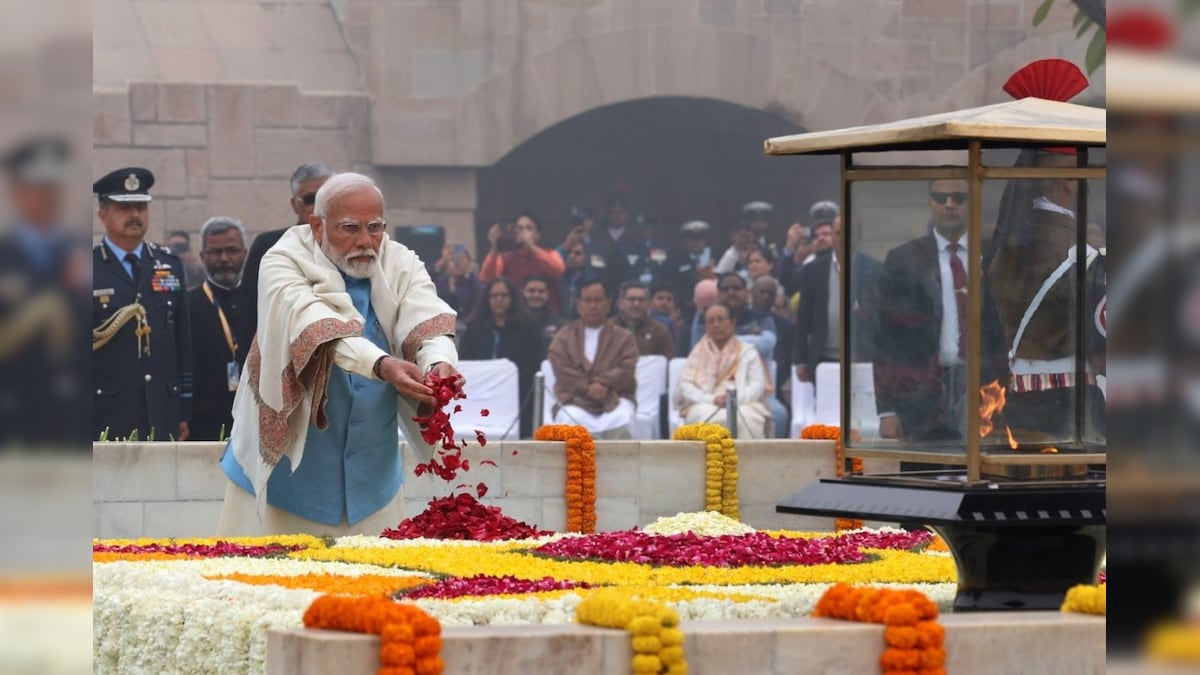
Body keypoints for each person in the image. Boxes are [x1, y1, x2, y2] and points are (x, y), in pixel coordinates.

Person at [217, 172, 462, 537]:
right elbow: (312, 324)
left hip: (373, 485)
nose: (365, 241)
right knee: (267, 591)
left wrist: (439, 362)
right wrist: (381, 365)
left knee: (380, 591)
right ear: (317, 225)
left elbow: (426, 315)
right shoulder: (282, 259)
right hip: (286, 484)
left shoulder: (399, 260)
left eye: (375, 227)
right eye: (349, 228)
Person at [870, 179, 1006, 442]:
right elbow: (885, 338)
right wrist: (886, 410)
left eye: (959, 198)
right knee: (923, 475)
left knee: (984, 476)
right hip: (922, 392)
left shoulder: (993, 254)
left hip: (987, 389)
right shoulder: (904, 259)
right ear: (930, 203)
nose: (949, 205)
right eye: (941, 198)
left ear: (973, 203)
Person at [989, 151, 1105, 444]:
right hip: (1068, 403)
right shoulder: (1073, 249)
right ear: (1064, 182)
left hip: (1024, 394)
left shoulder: (1013, 244)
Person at [92, 167, 193, 441]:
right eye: (124, 207)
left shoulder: (168, 264)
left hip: (162, 408)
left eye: (140, 207)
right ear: (103, 216)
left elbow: (181, 340)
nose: (134, 214)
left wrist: (184, 407)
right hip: (105, 410)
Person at [0, 136, 87, 447]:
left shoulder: (79, 252)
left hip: (72, 419)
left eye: (54, 188)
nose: (47, 197)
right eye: (37, 188)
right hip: (14, 415)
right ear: (17, 193)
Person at [236, 162, 334, 368]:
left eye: (324, 198)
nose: (317, 206)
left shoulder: (351, 243)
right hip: (282, 362)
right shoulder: (269, 245)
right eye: (309, 199)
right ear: (294, 204)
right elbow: (249, 312)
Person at [793, 213, 881, 386]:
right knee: (827, 411)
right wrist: (800, 359)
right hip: (823, 357)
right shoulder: (813, 270)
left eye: (851, 232)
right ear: (832, 236)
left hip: (861, 357)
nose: (844, 238)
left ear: (859, 236)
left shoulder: (874, 269)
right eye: (839, 233)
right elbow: (803, 317)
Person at [547, 279, 639, 439]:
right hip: (574, 401)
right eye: (587, 301)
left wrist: (604, 383)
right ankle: (579, 465)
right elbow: (563, 371)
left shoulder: (624, 338)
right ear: (578, 305)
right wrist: (589, 388)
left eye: (597, 300)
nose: (592, 306)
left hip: (614, 399)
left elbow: (626, 369)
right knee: (570, 421)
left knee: (622, 419)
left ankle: (619, 465)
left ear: (608, 304)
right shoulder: (563, 337)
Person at [185, 217, 248, 441]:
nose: (224, 258)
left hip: (253, 419)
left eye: (232, 250)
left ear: (245, 253)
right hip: (203, 423)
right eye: (215, 252)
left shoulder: (261, 299)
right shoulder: (187, 304)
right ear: (202, 256)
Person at [458, 277, 545, 437]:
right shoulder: (474, 329)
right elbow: (466, 363)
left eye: (504, 295)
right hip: (478, 394)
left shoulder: (528, 328)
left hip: (517, 396)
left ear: (512, 298)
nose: (499, 299)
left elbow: (533, 364)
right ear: (487, 299)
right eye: (494, 295)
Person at [674, 303, 772, 439]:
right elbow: (686, 386)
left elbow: (756, 386)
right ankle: (711, 460)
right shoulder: (697, 354)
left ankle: (746, 460)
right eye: (711, 321)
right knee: (703, 419)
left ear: (732, 322)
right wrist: (712, 399)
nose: (716, 325)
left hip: (743, 403)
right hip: (706, 403)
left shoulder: (747, 351)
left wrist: (733, 400)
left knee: (747, 420)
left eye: (720, 320)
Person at [480, 212, 565, 312]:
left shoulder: (550, 253)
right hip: (515, 314)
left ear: (537, 235)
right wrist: (494, 246)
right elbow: (487, 278)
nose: (523, 232)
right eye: (519, 228)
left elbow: (558, 270)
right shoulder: (505, 258)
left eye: (528, 228)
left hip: (546, 314)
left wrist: (531, 247)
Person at [614, 281, 675, 358]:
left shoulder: (660, 331)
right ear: (621, 303)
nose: (636, 303)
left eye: (641, 300)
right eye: (631, 299)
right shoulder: (608, 329)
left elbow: (668, 362)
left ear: (648, 304)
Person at [432, 244, 482, 317]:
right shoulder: (440, 281)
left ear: (469, 261)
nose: (457, 263)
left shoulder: (473, 282)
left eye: (461, 259)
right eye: (453, 259)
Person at [523, 274, 563, 347]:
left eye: (541, 291)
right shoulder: (512, 322)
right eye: (531, 291)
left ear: (548, 294)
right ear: (523, 292)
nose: (536, 295)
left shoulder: (559, 324)